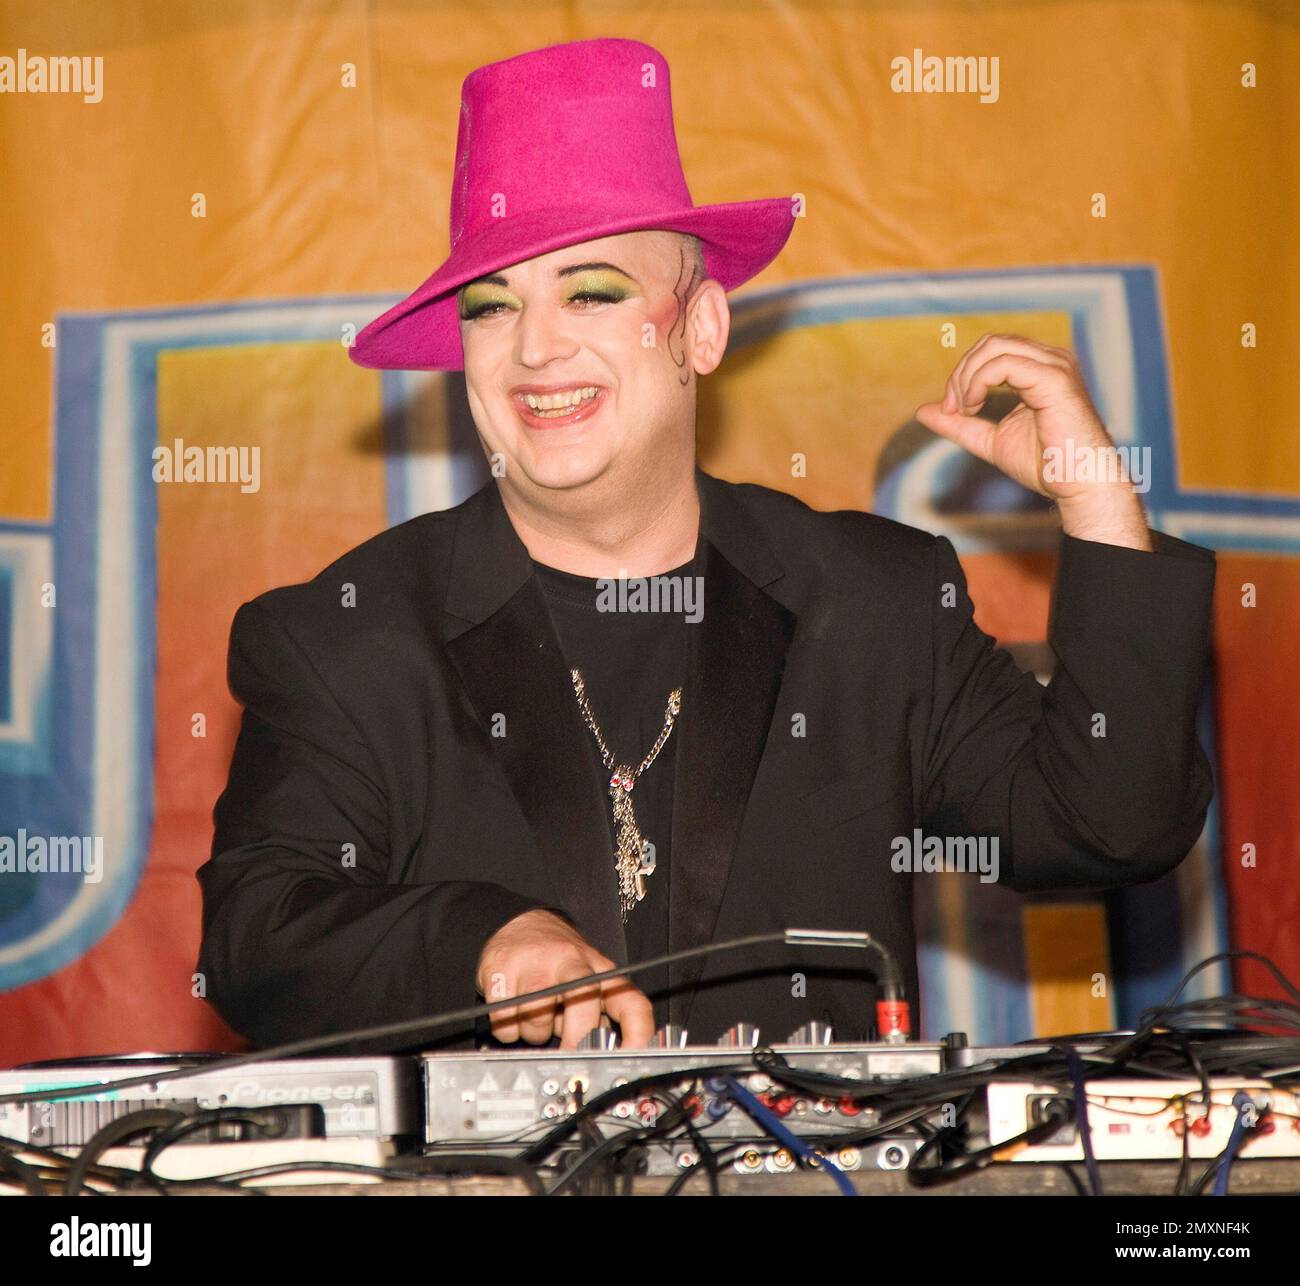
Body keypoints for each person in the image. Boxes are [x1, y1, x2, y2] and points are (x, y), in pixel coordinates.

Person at [195, 37, 1214, 1053]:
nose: (534, 348)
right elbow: (253, 935)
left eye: (590, 292)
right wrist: (482, 936)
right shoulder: (349, 634)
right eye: (490, 307)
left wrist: (1095, 495)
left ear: (702, 331)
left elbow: (1107, 822)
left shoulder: (872, 601)